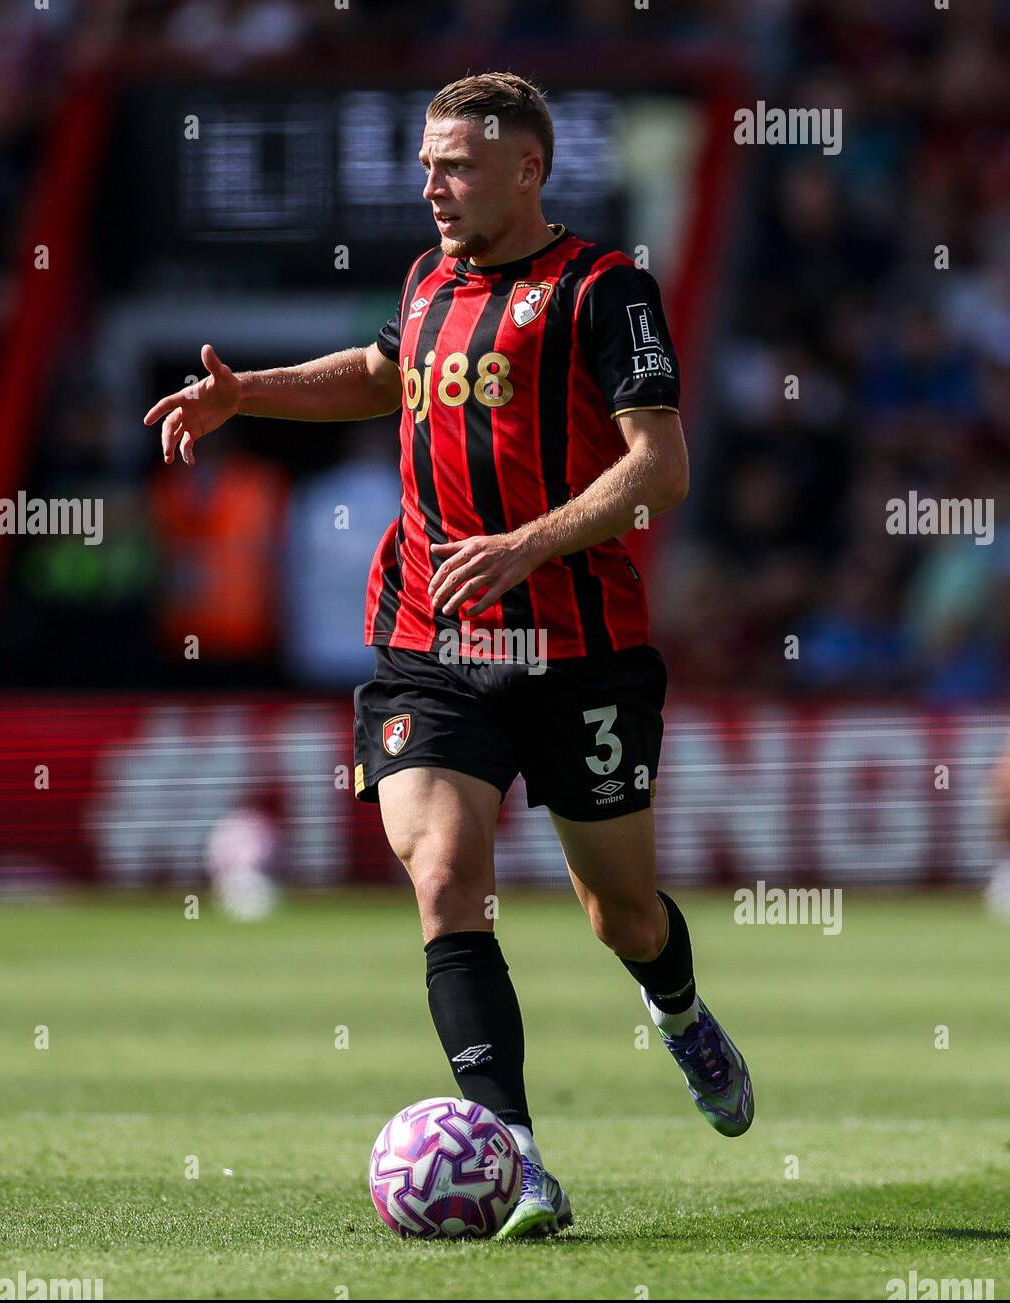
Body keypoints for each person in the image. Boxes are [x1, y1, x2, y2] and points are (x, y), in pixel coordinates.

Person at [144, 71, 753, 1240]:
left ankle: (677, 1010)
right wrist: (250, 394)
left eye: (456, 164)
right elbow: (384, 374)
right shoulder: (430, 280)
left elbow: (659, 467)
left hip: (580, 648)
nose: (431, 183)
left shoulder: (604, 287)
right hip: (431, 636)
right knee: (441, 878)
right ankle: (514, 1156)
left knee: (620, 914)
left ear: (528, 169)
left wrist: (526, 545)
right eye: (425, 163)